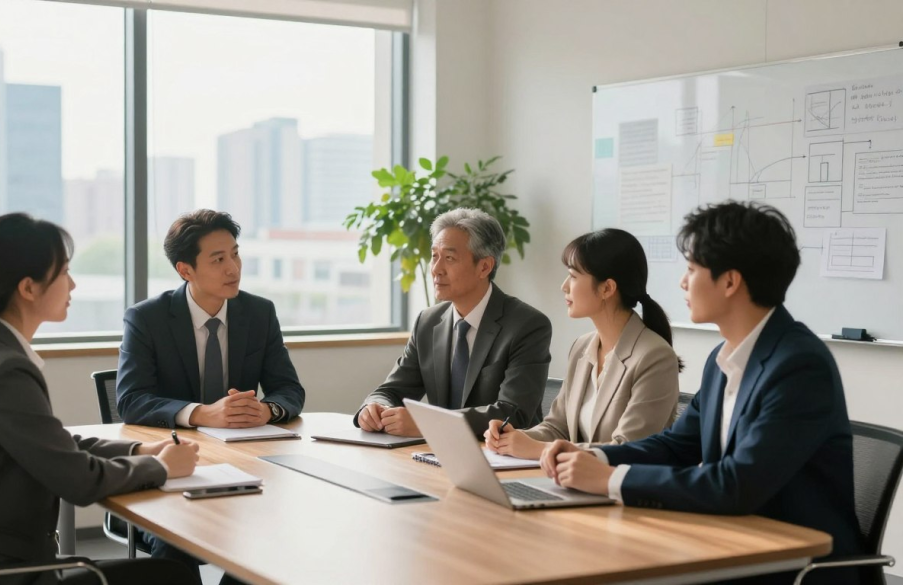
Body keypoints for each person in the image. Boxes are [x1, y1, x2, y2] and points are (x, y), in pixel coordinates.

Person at [541, 202, 864, 585]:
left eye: (692, 270)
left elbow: (736, 485)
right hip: (731, 544)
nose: (682, 282)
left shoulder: (798, 366)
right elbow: (677, 445)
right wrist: (593, 455)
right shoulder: (723, 358)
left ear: (729, 282)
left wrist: (609, 479)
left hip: (793, 566)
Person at [0, 213, 200, 585]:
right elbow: (79, 481)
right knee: (171, 575)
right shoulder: (6, 370)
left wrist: (137, 452)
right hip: (2, 573)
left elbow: (53, 444)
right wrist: (164, 468)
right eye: (64, 271)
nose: (72, 284)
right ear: (28, 288)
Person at [116, 209, 305, 583]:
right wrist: (202, 414)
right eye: (218, 260)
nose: (233, 268)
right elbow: (130, 399)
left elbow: (290, 389)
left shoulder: (259, 313)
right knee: (175, 545)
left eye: (235, 254)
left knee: (279, 536)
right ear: (185, 270)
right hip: (175, 469)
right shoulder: (146, 319)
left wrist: (266, 410)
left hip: (247, 466)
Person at [485, 229, 681, 459]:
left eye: (574, 276)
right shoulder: (582, 347)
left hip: (624, 491)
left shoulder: (655, 356)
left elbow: (628, 448)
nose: (564, 286)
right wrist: (513, 438)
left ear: (607, 288)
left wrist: (538, 450)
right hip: (573, 483)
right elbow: (557, 428)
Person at [355, 208, 552, 437]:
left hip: (503, 460)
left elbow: (512, 413)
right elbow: (391, 390)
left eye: (449, 258)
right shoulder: (427, 322)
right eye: (434, 256)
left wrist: (429, 424)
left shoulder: (527, 325)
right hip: (438, 456)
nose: (436, 269)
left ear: (484, 267)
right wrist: (375, 409)